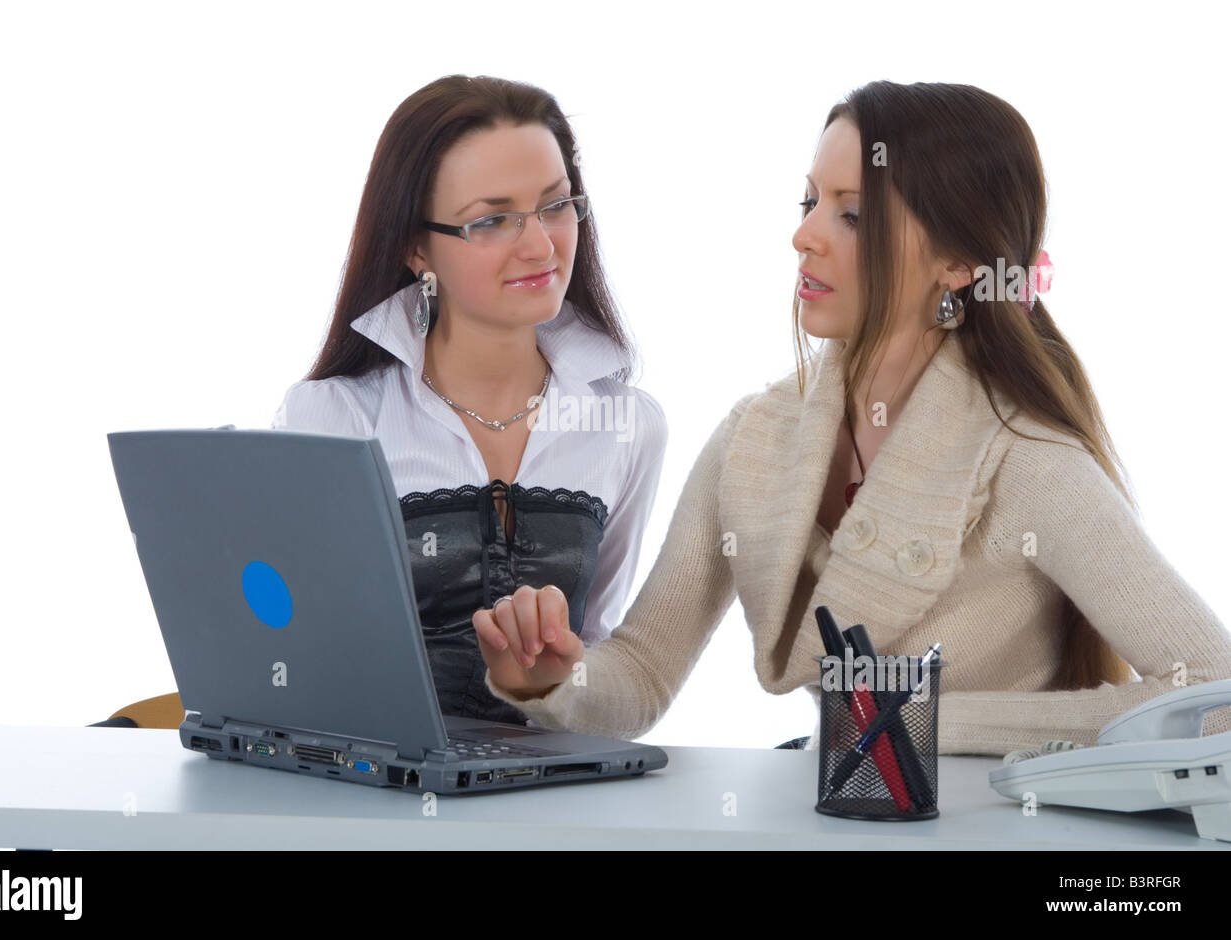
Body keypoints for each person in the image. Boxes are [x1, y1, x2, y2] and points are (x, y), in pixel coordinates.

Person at [470, 79, 1231, 756]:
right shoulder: (753, 439)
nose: (805, 234)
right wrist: (554, 680)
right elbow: (640, 672)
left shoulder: (1026, 459)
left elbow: (1215, 695)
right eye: (810, 203)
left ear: (962, 264)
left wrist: (925, 722)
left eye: (854, 214)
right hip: (838, 820)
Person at [272, 75, 667, 727]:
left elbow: (600, 654)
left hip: (554, 801)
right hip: (377, 803)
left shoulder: (628, 426)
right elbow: (294, 661)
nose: (540, 245)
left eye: (555, 205)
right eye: (491, 220)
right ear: (415, 247)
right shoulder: (331, 420)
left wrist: (557, 686)